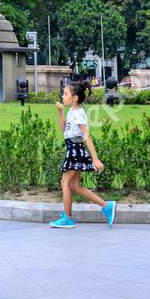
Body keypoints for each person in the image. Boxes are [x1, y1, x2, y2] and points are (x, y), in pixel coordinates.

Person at [50, 81, 114, 229]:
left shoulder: (78, 113)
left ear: (75, 98)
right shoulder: (72, 111)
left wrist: (95, 158)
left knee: (65, 184)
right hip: (73, 148)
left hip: (75, 149)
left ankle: (67, 218)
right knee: (75, 186)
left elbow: (86, 136)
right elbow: (63, 129)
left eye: (66, 94)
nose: (62, 96)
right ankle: (106, 206)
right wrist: (60, 112)